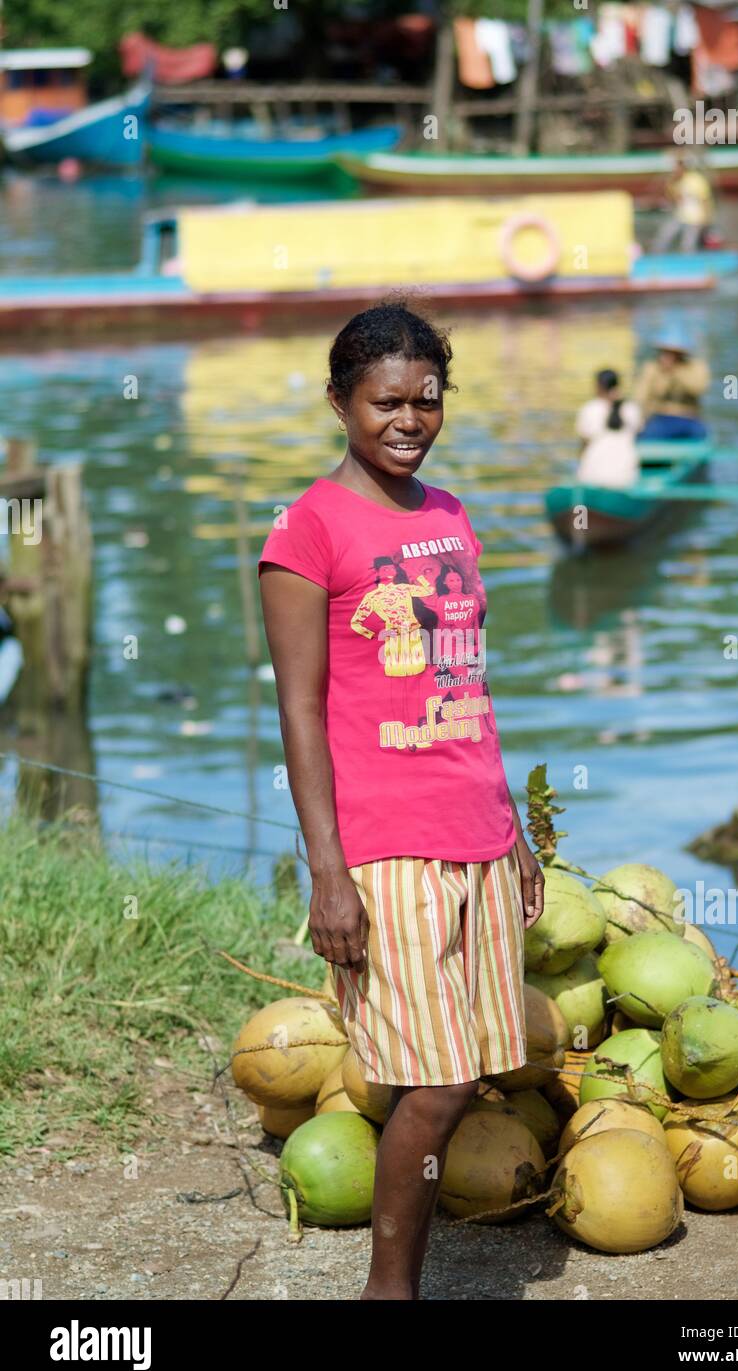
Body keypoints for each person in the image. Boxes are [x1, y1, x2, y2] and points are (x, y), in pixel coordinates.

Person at [258, 298, 544, 1301]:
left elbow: (464, 687)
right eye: (386, 402)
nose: (409, 420)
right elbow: (300, 713)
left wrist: (513, 833)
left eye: (427, 401)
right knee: (437, 1082)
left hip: (477, 836)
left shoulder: (452, 515)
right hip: (386, 851)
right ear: (340, 402)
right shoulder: (306, 531)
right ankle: (390, 1290)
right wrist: (327, 872)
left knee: (465, 1071)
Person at [634, 330, 710, 441]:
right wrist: (640, 419)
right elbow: (641, 396)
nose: (667, 356)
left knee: (700, 436)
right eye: (665, 352)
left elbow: (698, 388)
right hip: (660, 418)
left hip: (689, 419)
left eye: (673, 353)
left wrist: (675, 372)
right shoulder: (652, 368)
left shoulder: (696, 367)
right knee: (648, 436)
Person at [575, 369, 642, 488]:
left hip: (591, 477)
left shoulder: (590, 409)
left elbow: (583, 446)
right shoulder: (632, 409)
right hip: (626, 478)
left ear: (598, 387)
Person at [652, 155, 714, 255]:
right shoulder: (675, 181)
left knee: (688, 244)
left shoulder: (696, 179)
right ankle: (655, 260)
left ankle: (689, 265)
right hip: (680, 216)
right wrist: (669, 186)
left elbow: (705, 199)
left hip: (695, 218)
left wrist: (707, 217)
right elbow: (675, 200)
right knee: (664, 236)